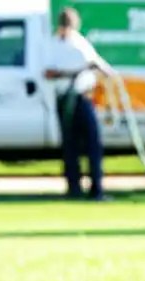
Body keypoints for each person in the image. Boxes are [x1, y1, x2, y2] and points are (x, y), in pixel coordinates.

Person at [44, 8, 115, 201]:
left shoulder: (79, 42)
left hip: (83, 96)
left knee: (91, 144)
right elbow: (49, 72)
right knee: (72, 145)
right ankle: (75, 187)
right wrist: (76, 71)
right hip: (68, 98)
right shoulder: (54, 44)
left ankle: (95, 188)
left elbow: (98, 64)